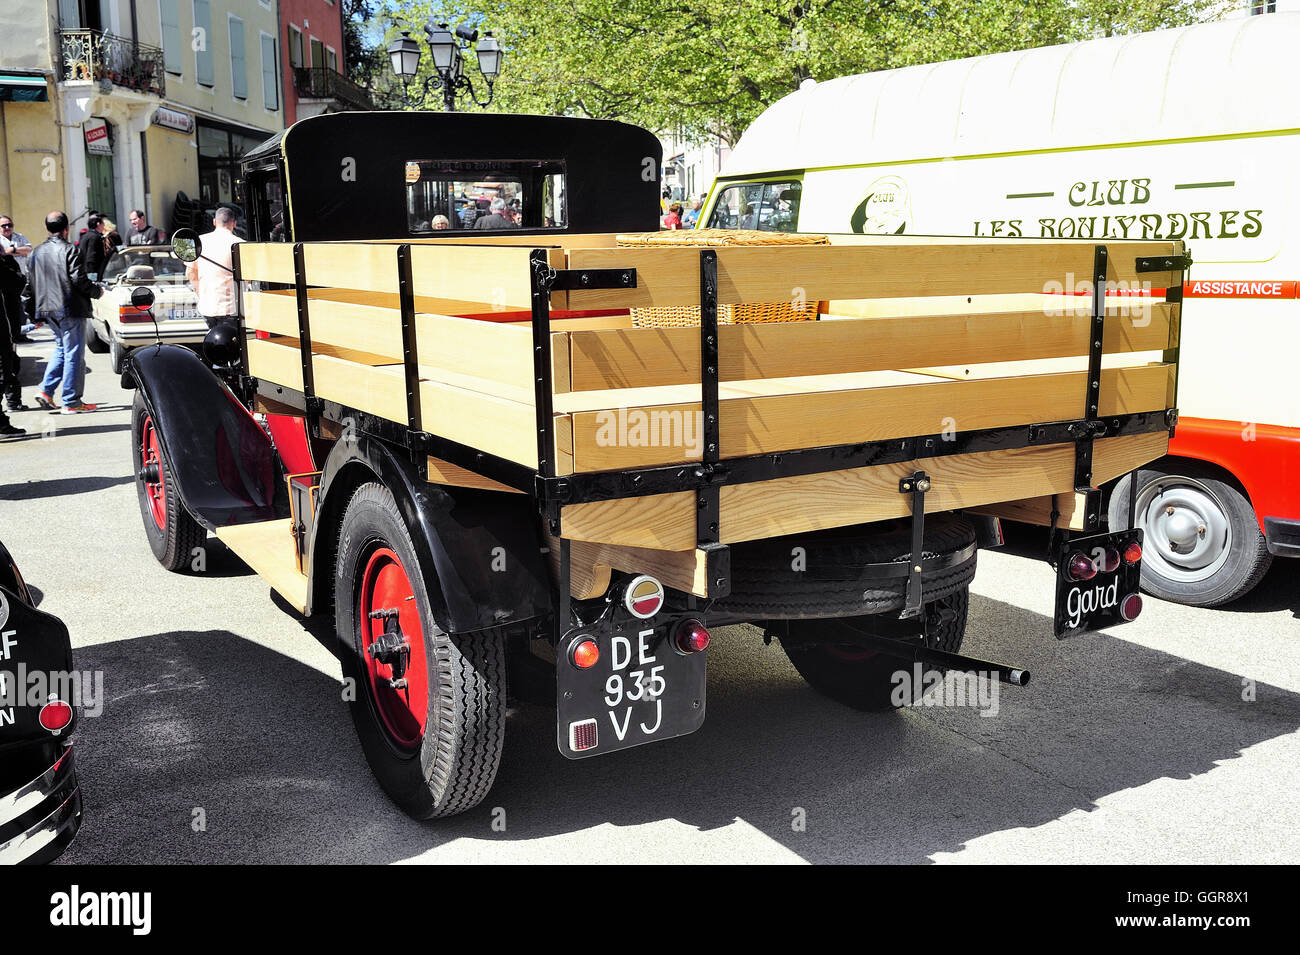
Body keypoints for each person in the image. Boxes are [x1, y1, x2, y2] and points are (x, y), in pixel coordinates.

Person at [29, 211, 103, 414]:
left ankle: (46, 390)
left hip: (48, 308)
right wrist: (97, 291)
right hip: (69, 308)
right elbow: (79, 279)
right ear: (66, 228)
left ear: (47, 228)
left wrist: (33, 314)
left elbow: (30, 286)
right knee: (73, 354)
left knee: (63, 350)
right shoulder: (70, 249)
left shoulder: (36, 252)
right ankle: (71, 401)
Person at [186, 207, 243, 329]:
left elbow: (190, 272)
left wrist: (200, 293)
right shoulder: (240, 244)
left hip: (207, 305)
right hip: (232, 307)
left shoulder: (198, 241)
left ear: (214, 222)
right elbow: (247, 277)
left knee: (213, 343)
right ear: (234, 223)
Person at [0, 214, 31, 410]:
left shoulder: (6, 263)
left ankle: (12, 403)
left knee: (10, 360)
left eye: (9, 225)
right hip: (5, 325)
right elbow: (17, 282)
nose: (6, 228)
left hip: (9, 319)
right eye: (3, 226)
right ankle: (10, 405)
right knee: (8, 364)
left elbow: (28, 250)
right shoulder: (5, 266)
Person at [77, 214, 110, 282]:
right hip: (92, 272)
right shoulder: (95, 237)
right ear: (98, 224)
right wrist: (93, 275)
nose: (103, 226)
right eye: (103, 223)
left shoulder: (85, 236)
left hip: (83, 270)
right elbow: (92, 257)